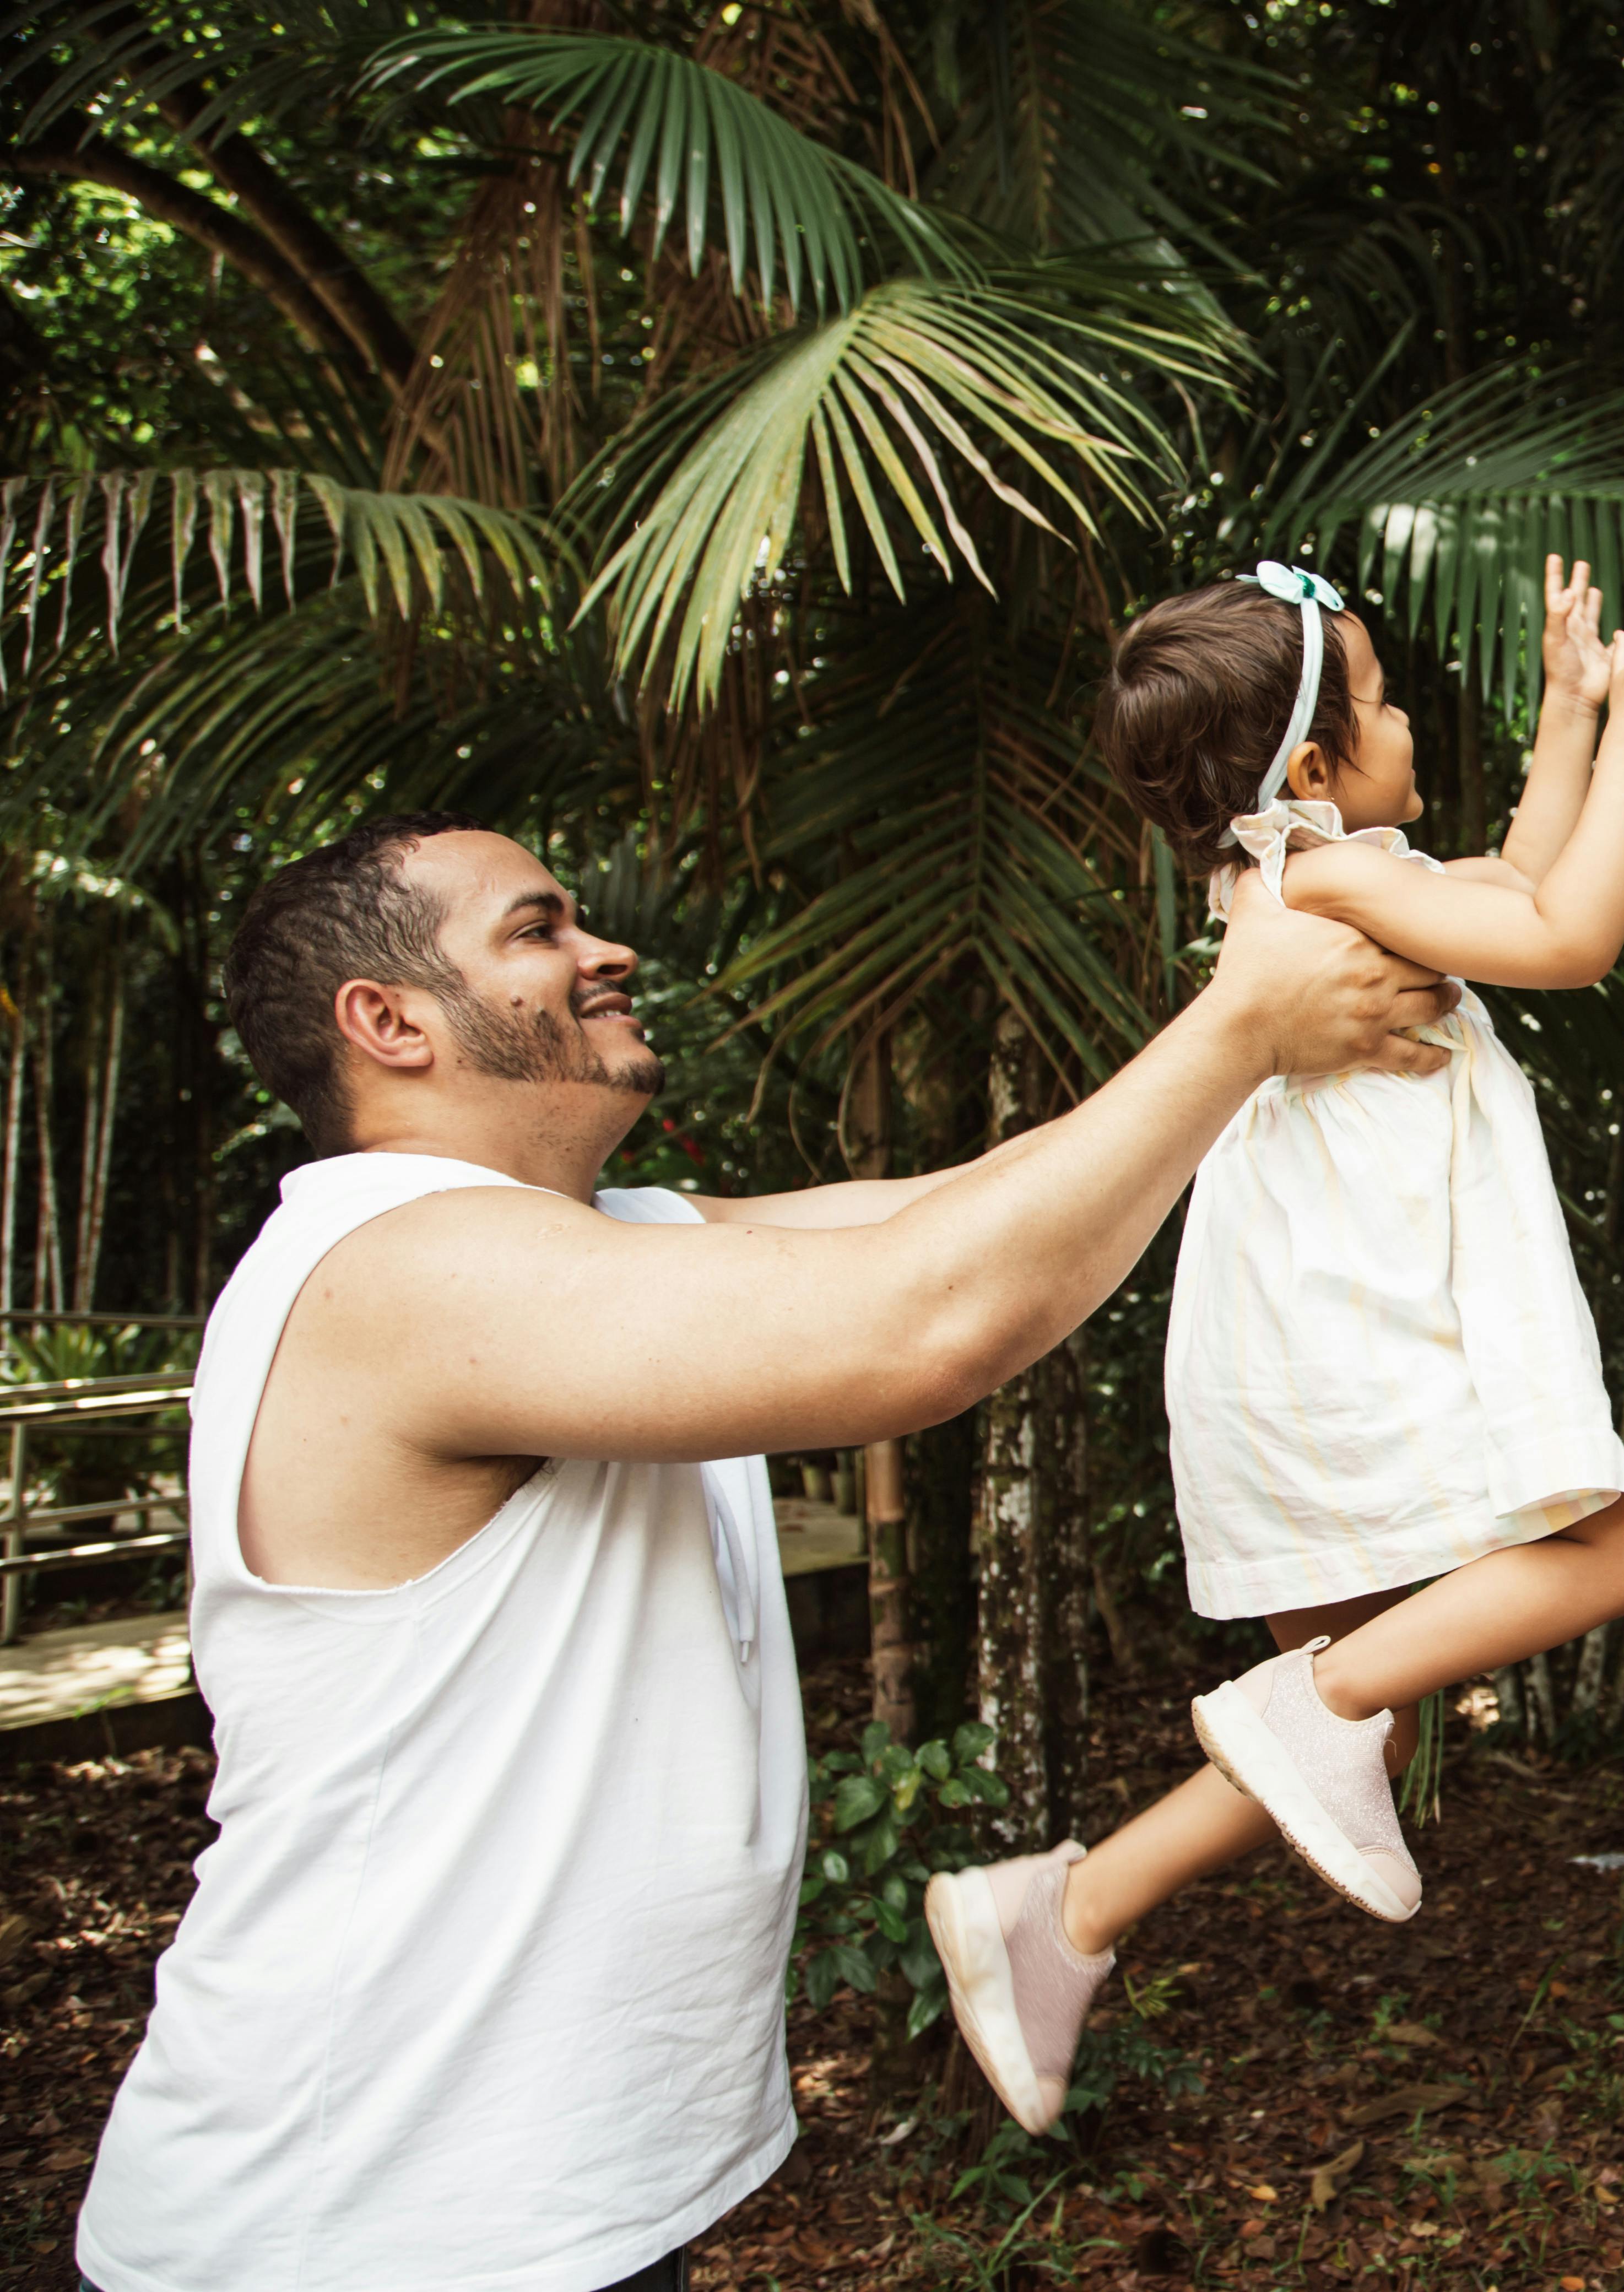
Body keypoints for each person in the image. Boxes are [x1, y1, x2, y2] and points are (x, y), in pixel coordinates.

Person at [73, 811, 1450, 2292]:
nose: (606, 950)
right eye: (538, 930)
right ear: (387, 1019)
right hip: (350, 2226)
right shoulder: (396, 1263)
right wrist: (1240, 1022)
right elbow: (925, 1321)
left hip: (527, 2210)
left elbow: (954, 1219)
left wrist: (1265, 1063)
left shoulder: (594, 1242)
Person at [923, 553, 1624, 2133]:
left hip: (1302, 1344)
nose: (1401, 713)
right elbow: (1574, 937)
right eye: (1374, 697)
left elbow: (1515, 886)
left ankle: (1064, 1917)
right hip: (1354, 1334)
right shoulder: (1323, 878)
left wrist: (1574, 715)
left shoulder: (1312, 871)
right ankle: (1158, 1836)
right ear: (1311, 767)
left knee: (1345, 1699)